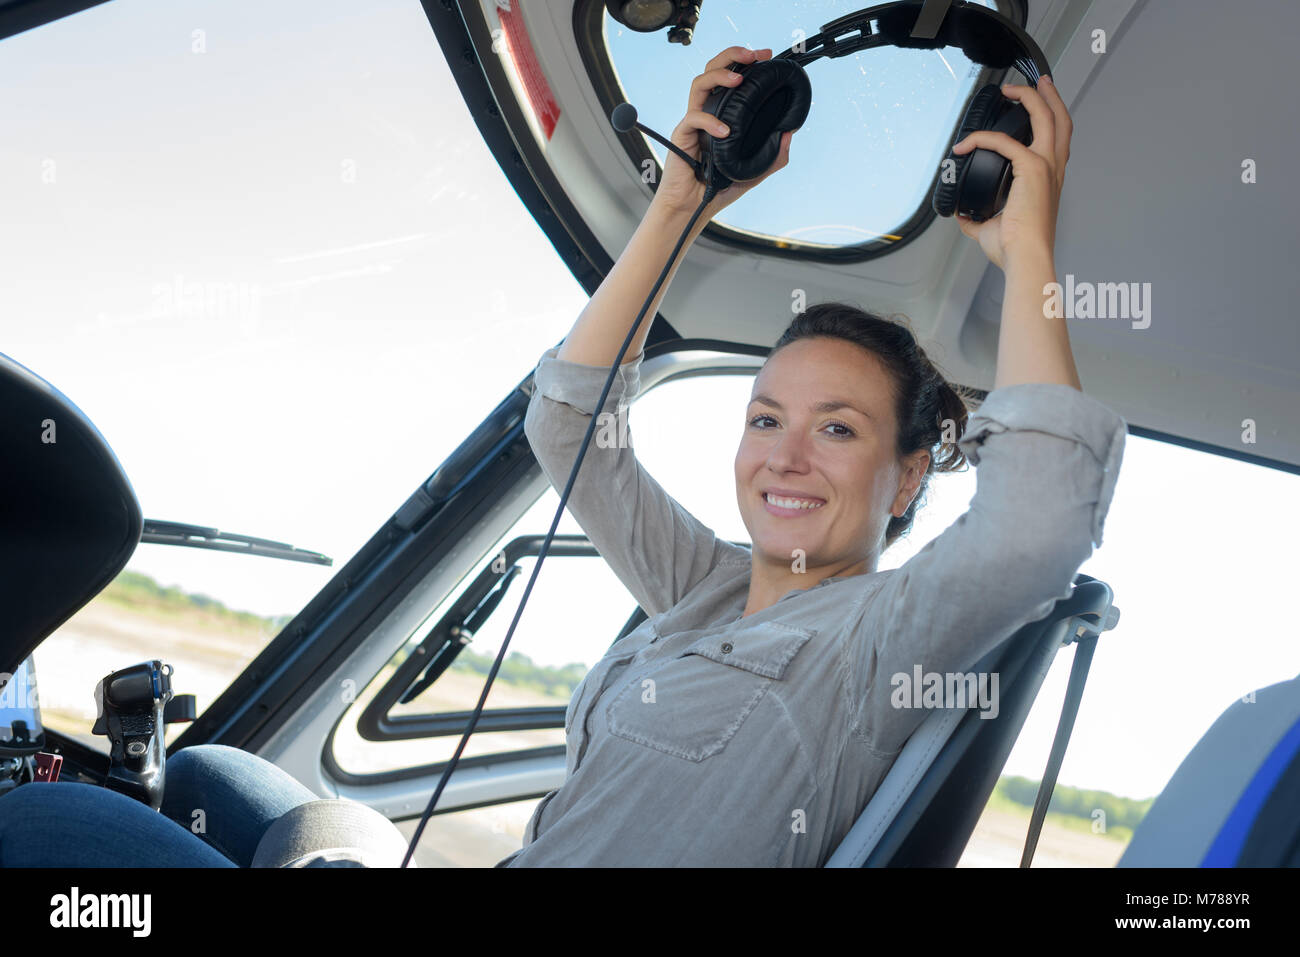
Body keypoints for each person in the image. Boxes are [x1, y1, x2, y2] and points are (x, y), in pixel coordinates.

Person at [495, 46, 1124, 866]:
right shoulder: (705, 589)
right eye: (765, 419)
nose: (784, 457)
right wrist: (682, 206)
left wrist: (1028, 253)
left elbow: (1037, 527)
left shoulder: (875, 645)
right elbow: (569, 428)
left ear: (907, 475)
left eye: (836, 428)